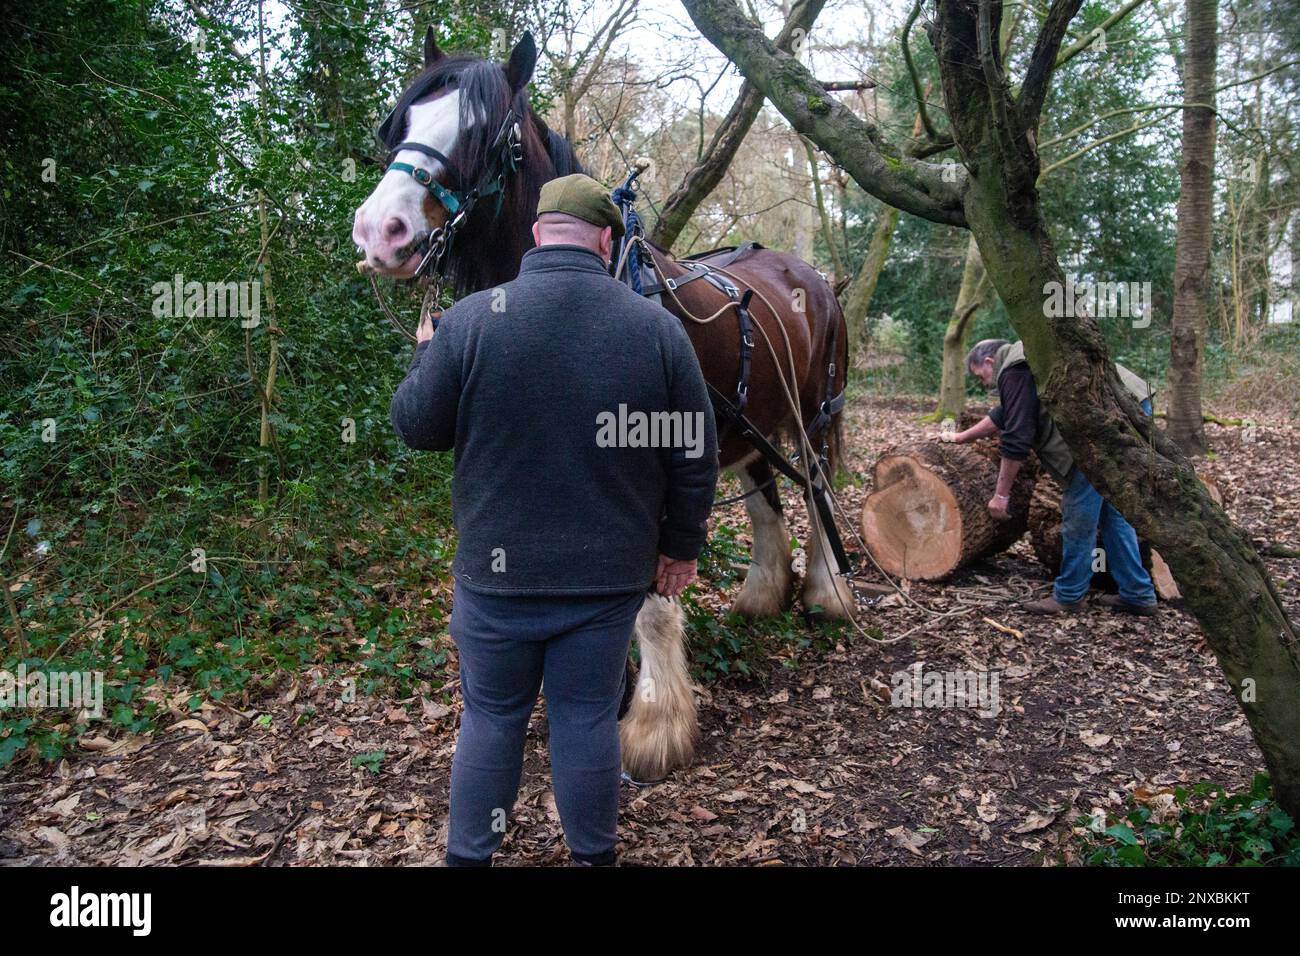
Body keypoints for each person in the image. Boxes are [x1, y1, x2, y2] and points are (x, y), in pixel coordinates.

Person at [389, 173, 719, 866]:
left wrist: (427, 351)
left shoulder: (472, 320)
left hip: (493, 579)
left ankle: (469, 859)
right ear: (607, 240)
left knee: (492, 718)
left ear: (538, 235)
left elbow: (417, 428)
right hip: (605, 581)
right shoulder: (656, 330)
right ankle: (594, 859)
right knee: (585, 718)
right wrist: (681, 547)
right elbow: (695, 453)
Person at [938, 338, 1157, 616]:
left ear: (990, 362)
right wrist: (960, 437)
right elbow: (1002, 415)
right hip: (1132, 403)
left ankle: (1068, 596)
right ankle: (1138, 594)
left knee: (1079, 516)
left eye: (979, 375)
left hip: (1104, 425)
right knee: (1112, 515)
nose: (983, 384)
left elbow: (1016, 438)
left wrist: (1001, 495)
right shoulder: (1026, 359)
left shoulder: (1015, 368)